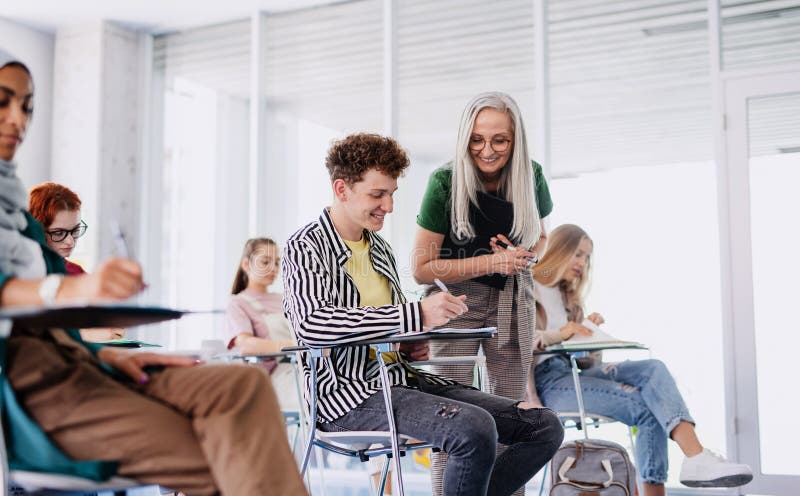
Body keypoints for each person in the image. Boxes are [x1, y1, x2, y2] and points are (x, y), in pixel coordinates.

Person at [0, 50, 306, 495]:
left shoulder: (19, 218)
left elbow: (60, 327)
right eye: (2, 101)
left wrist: (110, 355)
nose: (18, 120)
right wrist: (74, 287)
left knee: (242, 385)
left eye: (26, 106)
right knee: (233, 452)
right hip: (33, 388)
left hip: (79, 364)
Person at [282, 132, 563, 496]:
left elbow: (392, 327)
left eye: (392, 194)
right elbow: (313, 325)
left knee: (543, 426)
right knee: (473, 428)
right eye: (377, 194)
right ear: (342, 189)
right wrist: (413, 316)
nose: (390, 205)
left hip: (400, 380)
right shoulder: (305, 247)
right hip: (346, 398)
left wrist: (410, 343)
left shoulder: (379, 248)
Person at [528, 223, 753, 495]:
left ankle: (696, 458)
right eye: (578, 254)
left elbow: (585, 362)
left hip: (573, 373)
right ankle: (664, 485)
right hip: (548, 384)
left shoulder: (568, 297)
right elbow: (515, 344)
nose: (582, 263)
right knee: (645, 407)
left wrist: (589, 334)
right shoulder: (528, 286)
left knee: (653, 370)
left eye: (586, 257)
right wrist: (561, 333)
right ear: (559, 250)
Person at [412, 91, 552, 494]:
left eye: (500, 140)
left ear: (516, 140)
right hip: (455, 303)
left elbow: (543, 236)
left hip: (513, 299)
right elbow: (422, 266)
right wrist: (492, 262)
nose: (487, 151)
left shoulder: (532, 175)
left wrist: (524, 257)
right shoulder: (445, 181)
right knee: (452, 420)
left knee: (515, 419)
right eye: (477, 139)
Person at [28, 181, 124, 342]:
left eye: (75, 230)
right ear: (35, 230)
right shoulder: (16, 274)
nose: (70, 242)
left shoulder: (77, 273)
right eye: (59, 233)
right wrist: (81, 336)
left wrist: (111, 327)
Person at [226, 237, 298, 411]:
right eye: (265, 262)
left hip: (300, 369)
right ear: (246, 264)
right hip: (273, 381)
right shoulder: (238, 302)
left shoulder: (286, 299)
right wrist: (293, 346)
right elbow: (246, 345)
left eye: (277, 262)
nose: (273, 268)